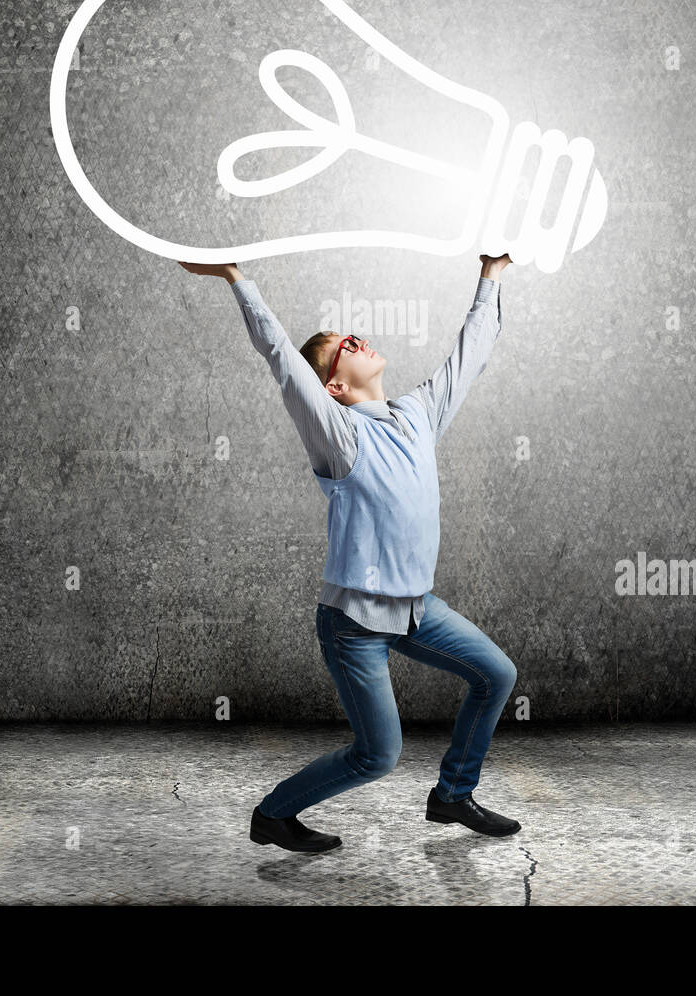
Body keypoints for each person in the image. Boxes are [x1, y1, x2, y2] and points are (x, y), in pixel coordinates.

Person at [178, 254, 521, 853]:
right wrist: (235, 278)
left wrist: (492, 272)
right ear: (333, 387)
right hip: (354, 624)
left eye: (354, 335)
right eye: (345, 346)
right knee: (377, 755)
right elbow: (284, 361)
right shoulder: (339, 436)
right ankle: (273, 815)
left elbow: (472, 353)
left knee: (497, 674)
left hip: (416, 610)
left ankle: (451, 796)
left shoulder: (417, 415)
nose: (358, 341)